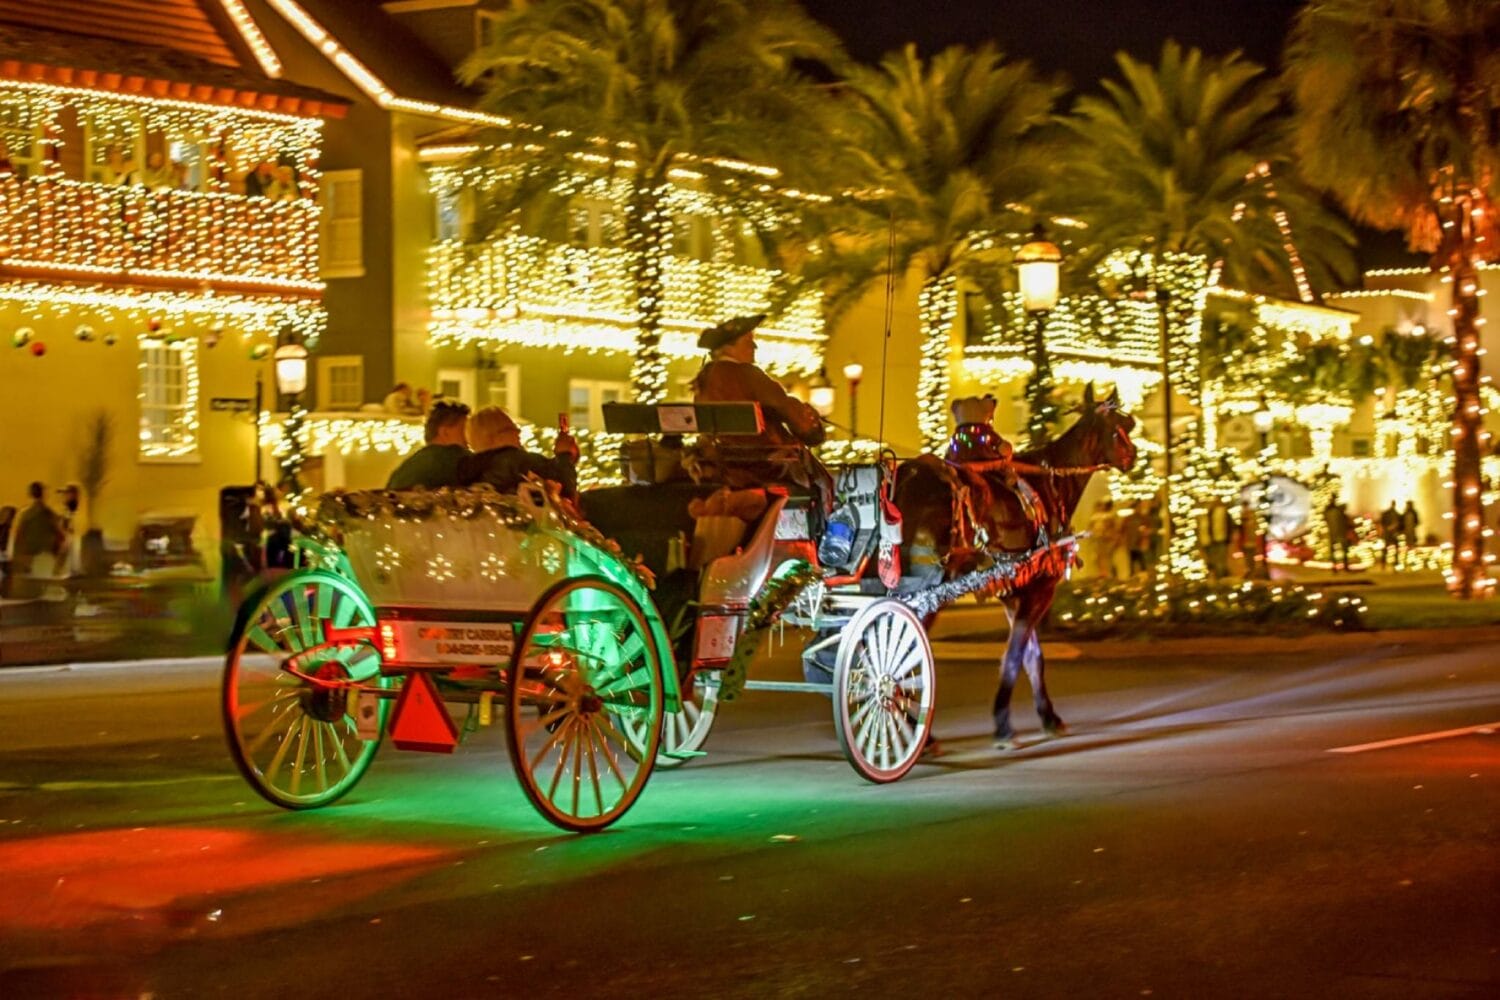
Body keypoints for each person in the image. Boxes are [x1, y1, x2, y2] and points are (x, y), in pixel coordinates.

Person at [690, 313, 830, 502]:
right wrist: (812, 427)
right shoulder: (747, 374)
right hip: (762, 465)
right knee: (818, 476)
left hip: (721, 462)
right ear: (729, 347)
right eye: (748, 341)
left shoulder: (702, 384)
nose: (754, 346)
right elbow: (789, 410)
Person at [458, 406, 578, 500]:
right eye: (511, 428)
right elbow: (565, 487)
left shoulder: (472, 470)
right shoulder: (517, 461)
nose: (518, 431)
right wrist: (564, 454)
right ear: (495, 437)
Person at [386, 400, 471, 490]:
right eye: (464, 430)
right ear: (445, 432)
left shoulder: (405, 468)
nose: (469, 436)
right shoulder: (459, 459)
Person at [6, 482, 64, 596]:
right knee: (45, 592)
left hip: (30, 558)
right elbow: (60, 536)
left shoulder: (25, 514)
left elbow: (18, 537)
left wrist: (17, 559)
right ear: (43, 494)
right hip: (45, 558)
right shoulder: (50, 515)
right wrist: (56, 555)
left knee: (33, 593)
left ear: (31, 494)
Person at [1198, 496, 1235, 580]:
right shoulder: (1211, 512)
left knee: (1221, 558)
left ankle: (1222, 576)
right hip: (1214, 539)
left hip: (1221, 538)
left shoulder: (1223, 512)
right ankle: (1219, 576)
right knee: (1216, 559)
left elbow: (1229, 525)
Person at [1087, 499, 1121, 580]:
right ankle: (1102, 573)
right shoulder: (1094, 517)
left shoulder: (1108, 516)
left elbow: (1113, 527)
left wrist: (1109, 534)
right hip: (1097, 539)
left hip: (1106, 539)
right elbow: (1090, 528)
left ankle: (1108, 573)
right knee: (1098, 557)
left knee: (1106, 557)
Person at [1324, 496, 1350, 571]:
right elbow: (1346, 521)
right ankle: (1344, 566)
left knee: (1334, 550)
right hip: (1340, 533)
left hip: (1333, 533)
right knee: (1343, 550)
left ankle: (1336, 566)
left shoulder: (1328, 511)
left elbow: (1326, 520)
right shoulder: (1338, 511)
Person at [1379, 501, 1401, 570]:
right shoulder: (1395, 514)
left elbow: (1382, 522)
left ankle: (1385, 563)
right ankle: (1390, 563)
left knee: (1389, 549)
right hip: (1390, 533)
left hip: (1390, 533)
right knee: (1391, 548)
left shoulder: (1393, 513)